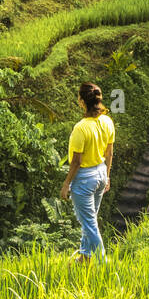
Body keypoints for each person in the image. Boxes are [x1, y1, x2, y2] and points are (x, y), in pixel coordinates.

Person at [60, 81, 115, 263]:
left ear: (82, 101)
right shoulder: (107, 121)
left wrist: (67, 183)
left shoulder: (81, 128)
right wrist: (107, 176)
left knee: (89, 224)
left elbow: (76, 161)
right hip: (100, 174)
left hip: (84, 178)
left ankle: (102, 263)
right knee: (90, 221)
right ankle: (85, 257)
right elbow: (109, 152)